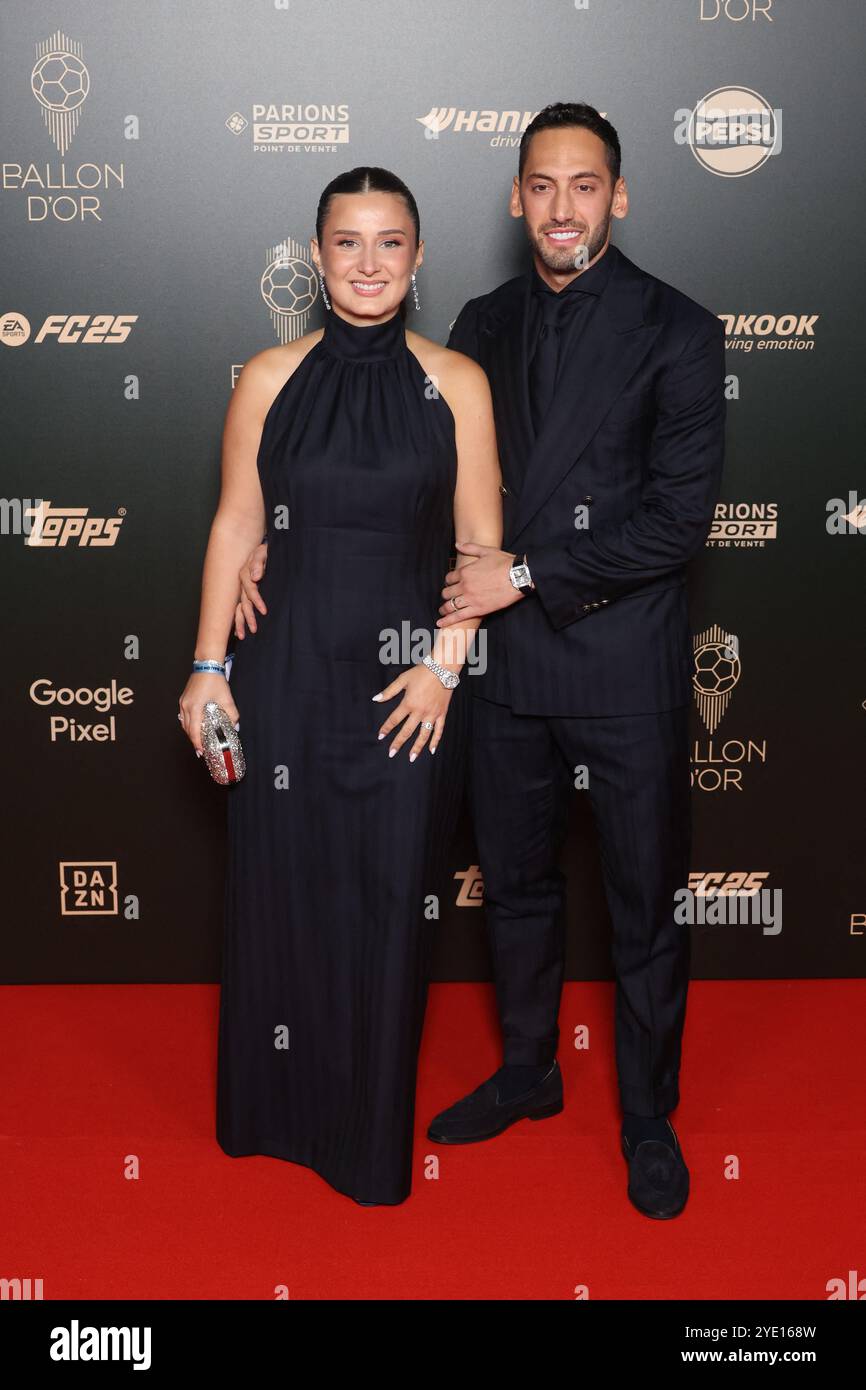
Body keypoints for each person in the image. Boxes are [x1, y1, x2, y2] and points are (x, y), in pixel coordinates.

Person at [235, 103, 727, 1220]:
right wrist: (280, 524)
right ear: (515, 199)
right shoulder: (478, 323)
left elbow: (675, 523)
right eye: (541, 185)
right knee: (514, 889)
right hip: (496, 672)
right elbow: (413, 484)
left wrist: (533, 573)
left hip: (613, 664)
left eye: (584, 184)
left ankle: (647, 1117)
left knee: (643, 903)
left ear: (618, 194)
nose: (561, 206)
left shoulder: (679, 331)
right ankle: (526, 1071)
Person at [178, 166, 502, 1206]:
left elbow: (482, 547)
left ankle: (361, 1142)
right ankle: (272, 1116)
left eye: (389, 243)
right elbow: (235, 523)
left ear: (418, 257)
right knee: (284, 899)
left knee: (379, 910)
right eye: (347, 243)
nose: (368, 263)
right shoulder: (268, 377)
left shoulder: (454, 381)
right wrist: (205, 667)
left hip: (405, 689)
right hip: (285, 679)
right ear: (315, 260)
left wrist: (443, 669)